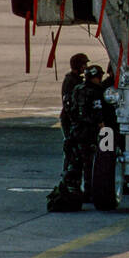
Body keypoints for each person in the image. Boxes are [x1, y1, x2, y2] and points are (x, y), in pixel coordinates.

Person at [47, 62, 109, 211]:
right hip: (89, 133)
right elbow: (98, 113)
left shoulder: (77, 89)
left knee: (74, 164)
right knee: (90, 164)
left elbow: (70, 109)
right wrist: (103, 128)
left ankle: (73, 190)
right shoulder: (96, 92)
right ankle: (88, 193)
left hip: (76, 131)